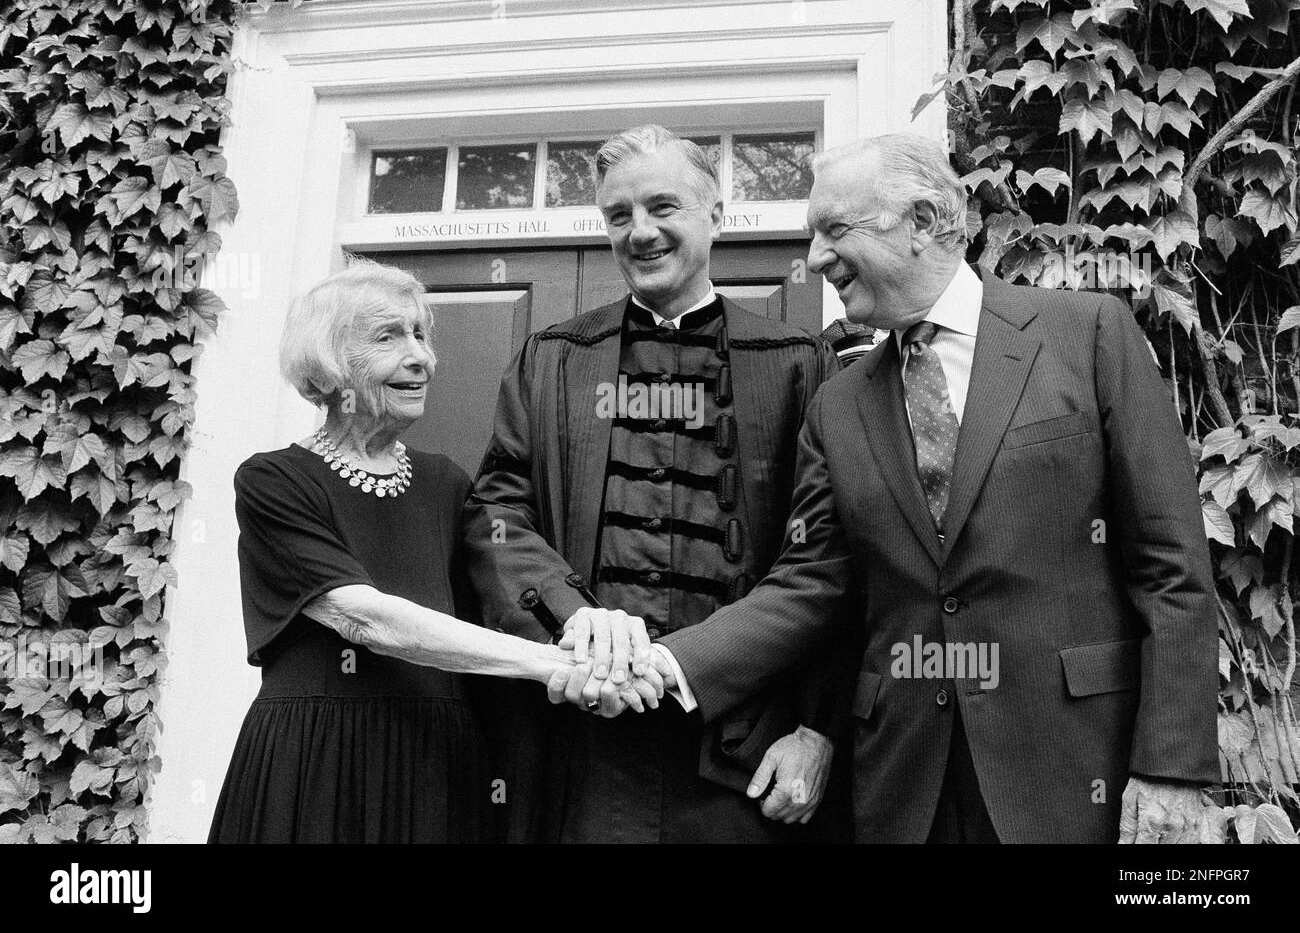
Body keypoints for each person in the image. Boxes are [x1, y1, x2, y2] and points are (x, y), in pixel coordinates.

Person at [580, 133, 1220, 843]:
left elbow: (1173, 568)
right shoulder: (840, 402)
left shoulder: (1086, 336)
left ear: (922, 222)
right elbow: (811, 582)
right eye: (812, 236)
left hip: (1073, 767)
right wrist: (671, 662)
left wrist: (1172, 766)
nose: (817, 257)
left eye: (835, 231)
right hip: (904, 787)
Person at [463, 125, 852, 843]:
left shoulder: (798, 365)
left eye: (662, 207)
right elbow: (497, 515)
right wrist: (571, 618)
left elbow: (827, 564)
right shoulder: (550, 361)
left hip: (745, 763)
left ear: (715, 214)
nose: (639, 232)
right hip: (582, 750)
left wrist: (817, 730)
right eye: (618, 215)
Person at [207, 261, 628, 843]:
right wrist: (557, 666)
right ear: (328, 365)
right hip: (320, 760)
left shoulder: (448, 485)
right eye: (388, 337)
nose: (422, 357)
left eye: (421, 335)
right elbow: (363, 617)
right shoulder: (274, 481)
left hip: (438, 766)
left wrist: (592, 648)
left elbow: (501, 605)